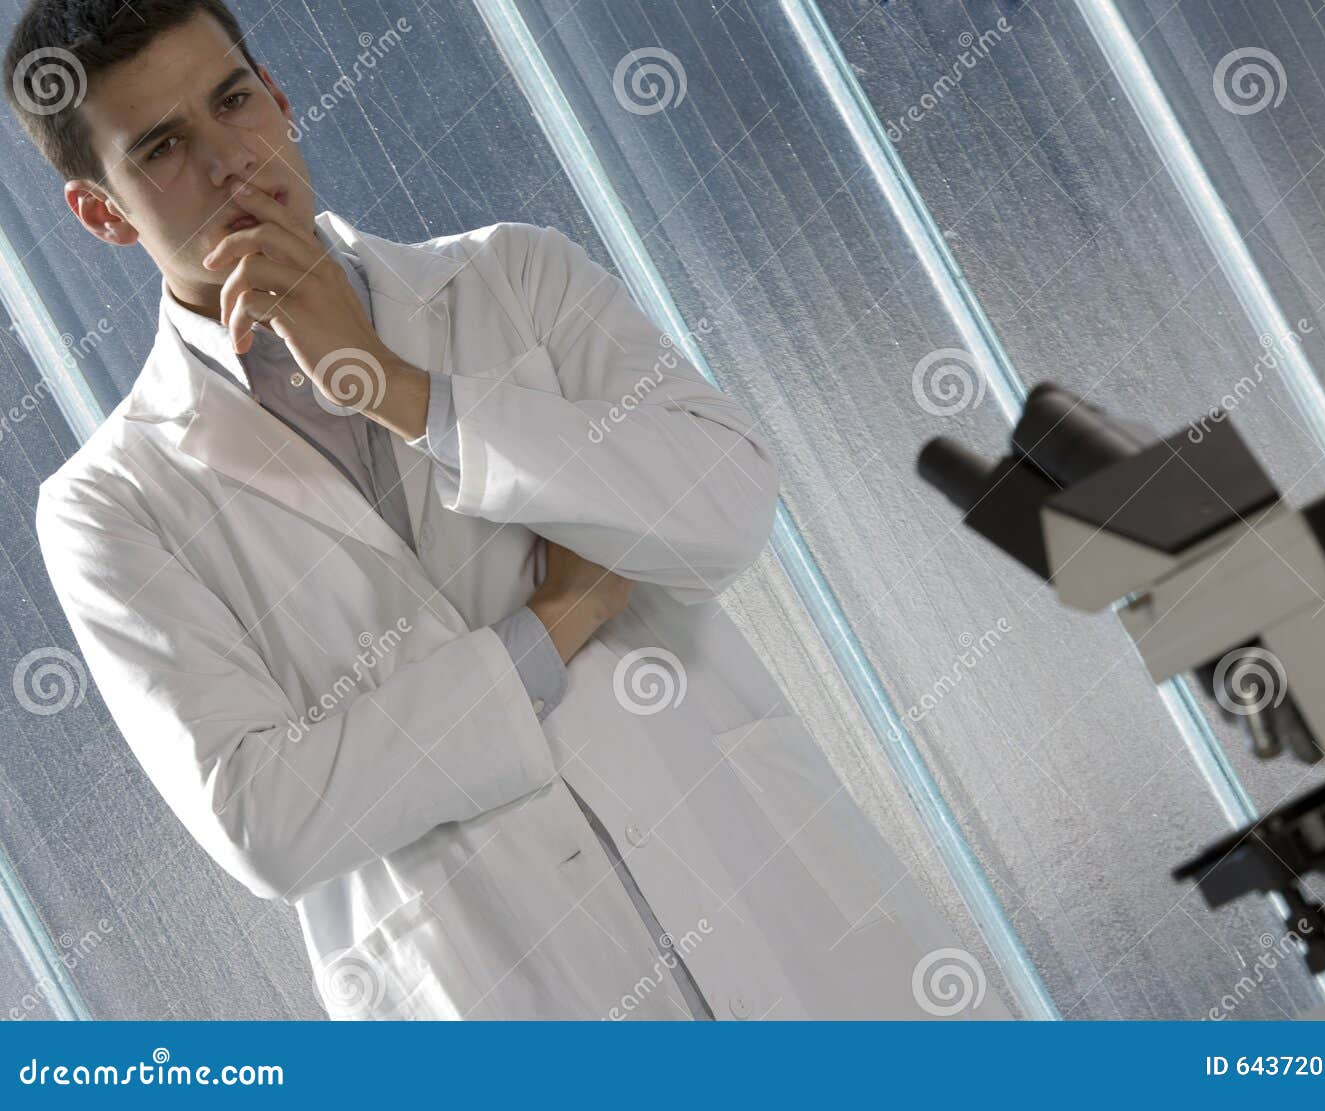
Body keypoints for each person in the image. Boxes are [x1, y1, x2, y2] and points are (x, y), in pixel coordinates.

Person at [7, 0, 1013, 1020]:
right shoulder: (110, 508)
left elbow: (728, 504)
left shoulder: (514, 279)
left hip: (797, 939)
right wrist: (556, 622)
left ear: (279, 96)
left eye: (232, 102)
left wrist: (405, 391)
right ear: (102, 212)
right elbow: (268, 819)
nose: (231, 163)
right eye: (165, 147)